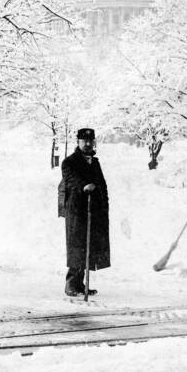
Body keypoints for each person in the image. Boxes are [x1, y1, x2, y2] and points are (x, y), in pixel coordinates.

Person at [58, 127, 110, 297]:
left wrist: (104, 203)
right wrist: (83, 186)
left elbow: (101, 183)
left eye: (90, 141)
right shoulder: (69, 162)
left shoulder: (95, 162)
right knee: (77, 247)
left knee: (89, 247)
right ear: (78, 142)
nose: (88, 144)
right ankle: (71, 284)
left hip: (93, 210)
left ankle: (81, 285)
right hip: (76, 211)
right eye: (84, 141)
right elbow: (71, 180)